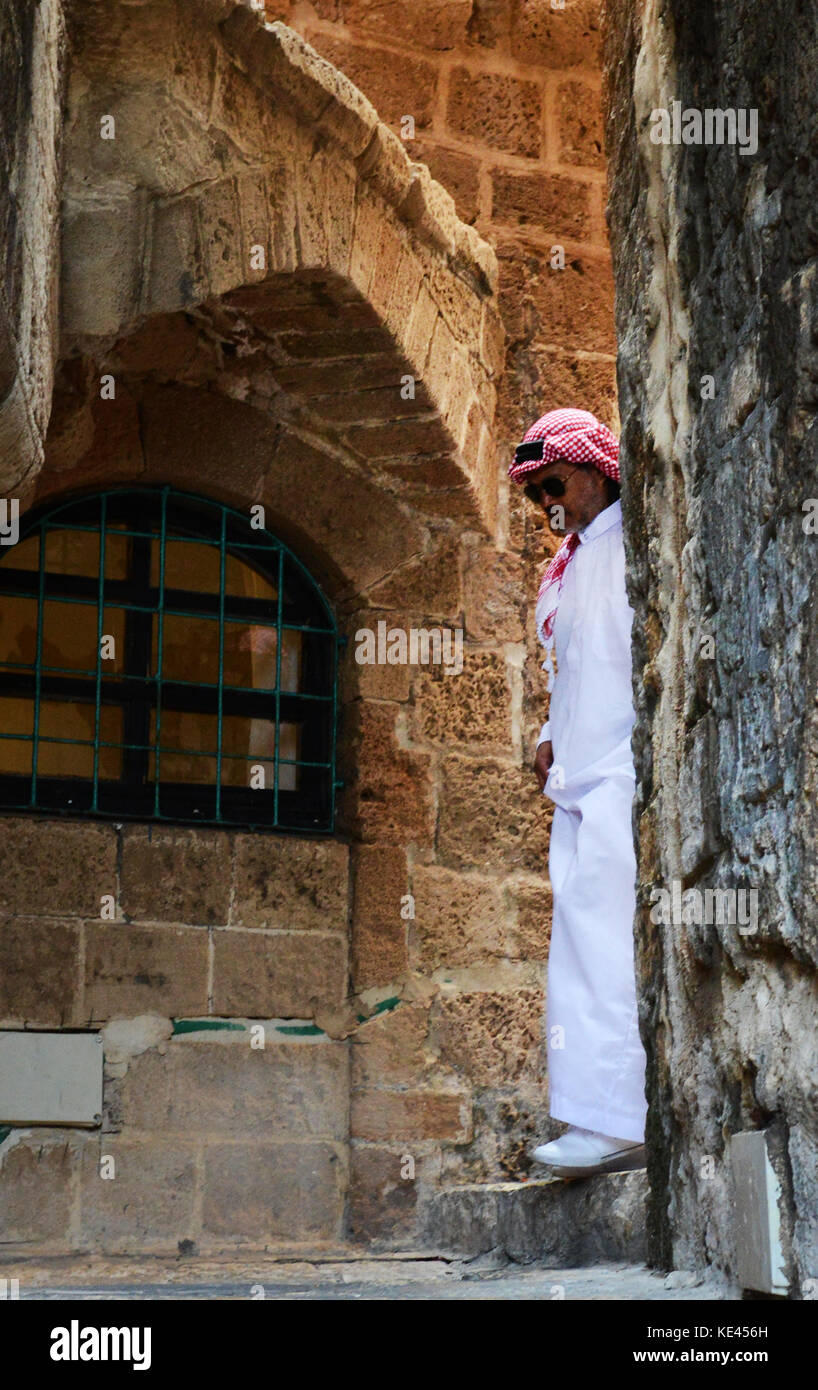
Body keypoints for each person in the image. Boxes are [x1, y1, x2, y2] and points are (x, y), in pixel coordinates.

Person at [508, 407, 648, 1178]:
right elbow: (569, 668)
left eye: (554, 484)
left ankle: (619, 1118)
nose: (547, 505)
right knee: (577, 941)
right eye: (535, 495)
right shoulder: (566, 565)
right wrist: (545, 736)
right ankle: (597, 1115)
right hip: (578, 776)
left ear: (594, 471)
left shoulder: (632, 540)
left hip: (621, 768)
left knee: (603, 939)